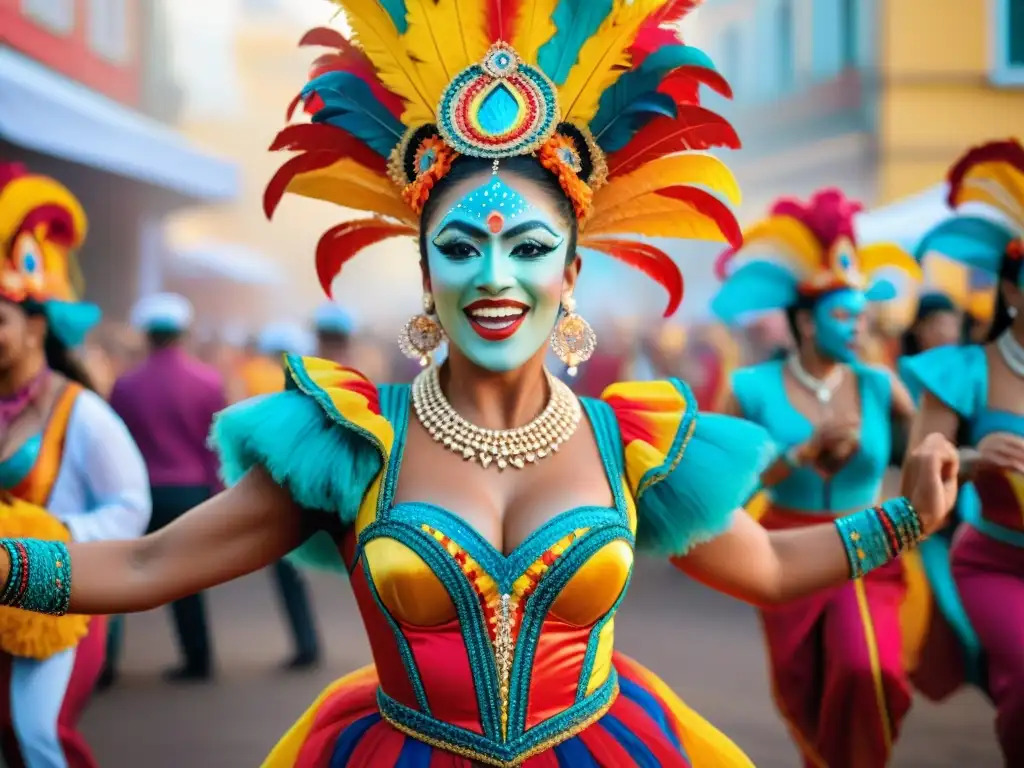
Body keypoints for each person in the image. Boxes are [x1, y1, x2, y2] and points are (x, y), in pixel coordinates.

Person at [0, 5, 960, 766]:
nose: (495, 277)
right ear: (425, 273)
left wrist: (907, 517)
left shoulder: (633, 442)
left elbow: (773, 570)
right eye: (460, 247)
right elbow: (139, 566)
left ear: (571, 274)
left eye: (531, 248)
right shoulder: (348, 443)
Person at [711, 188, 923, 767]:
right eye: (840, 313)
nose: (857, 325)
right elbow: (724, 491)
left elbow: (935, 448)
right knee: (808, 690)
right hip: (784, 553)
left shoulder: (883, 386)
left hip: (869, 546)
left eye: (862, 313)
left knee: (866, 670)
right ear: (804, 321)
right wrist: (800, 455)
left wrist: (967, 465)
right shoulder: (748, 389)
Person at [0, 163, 150, 767]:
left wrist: (60, 537)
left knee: (38, 736)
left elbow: (131, 505)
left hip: (59, 599)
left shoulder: (80, 409)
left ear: (37, 326)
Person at [900, 138, 1024, 766]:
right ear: (1011, 291)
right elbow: (916, 476)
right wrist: (975, 460)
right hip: (994, 561)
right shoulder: (962, 369)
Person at [108, 293, 225, 683]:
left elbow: (116, 444)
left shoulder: (125, 385)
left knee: (121, 572)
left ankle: (105, 664)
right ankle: (198, 659)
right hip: (192, 492)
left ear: (146, 335)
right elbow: (215, 446)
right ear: (183, 333)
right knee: (186, 578)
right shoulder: (209, 381)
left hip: (139, 492)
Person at [248, 322, 322, 670]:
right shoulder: (316, 386)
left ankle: (306, 644)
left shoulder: (257, 383)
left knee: (288, 572)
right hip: (311, 490)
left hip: (280, 494)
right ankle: (307, 643)